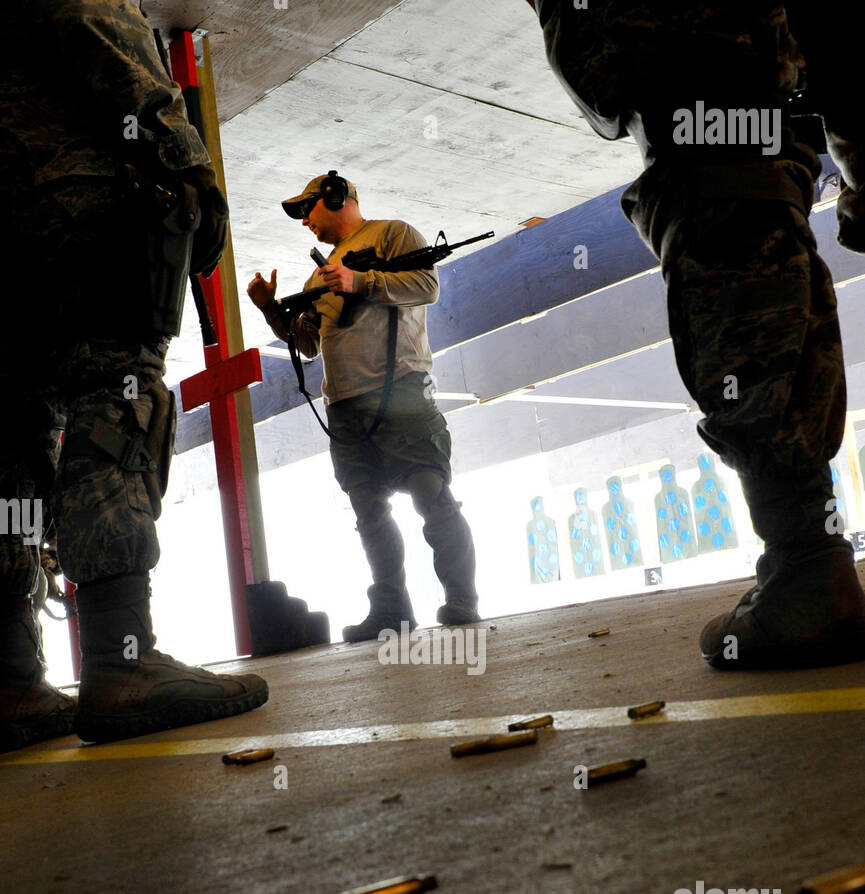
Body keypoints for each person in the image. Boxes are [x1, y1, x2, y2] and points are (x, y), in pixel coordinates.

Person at [526, 2, 865, 669]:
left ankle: (807, 575)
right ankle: (812, 566)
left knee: (747, 334)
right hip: (766, 152)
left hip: (710, 155)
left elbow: (602, 80)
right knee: (784, 323)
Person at [0, 0, 269, 753]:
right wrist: (188, 166)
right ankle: (122, 661)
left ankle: (11, 676)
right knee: (116, 395)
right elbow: (97, 26)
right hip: (73, 208)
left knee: (11, 445)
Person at [247, 172, 481, 642]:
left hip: (401, 390)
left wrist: (361, 280)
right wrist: (272, 310)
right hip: (347, 406)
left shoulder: (392, 233)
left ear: (335, 198)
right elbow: (308, 343)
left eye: (308, 209)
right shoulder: (319, 274)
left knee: (429, 494)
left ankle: (461, 600)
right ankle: (392, 611)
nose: (305, 222)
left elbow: (425, 286)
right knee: (368, 511)